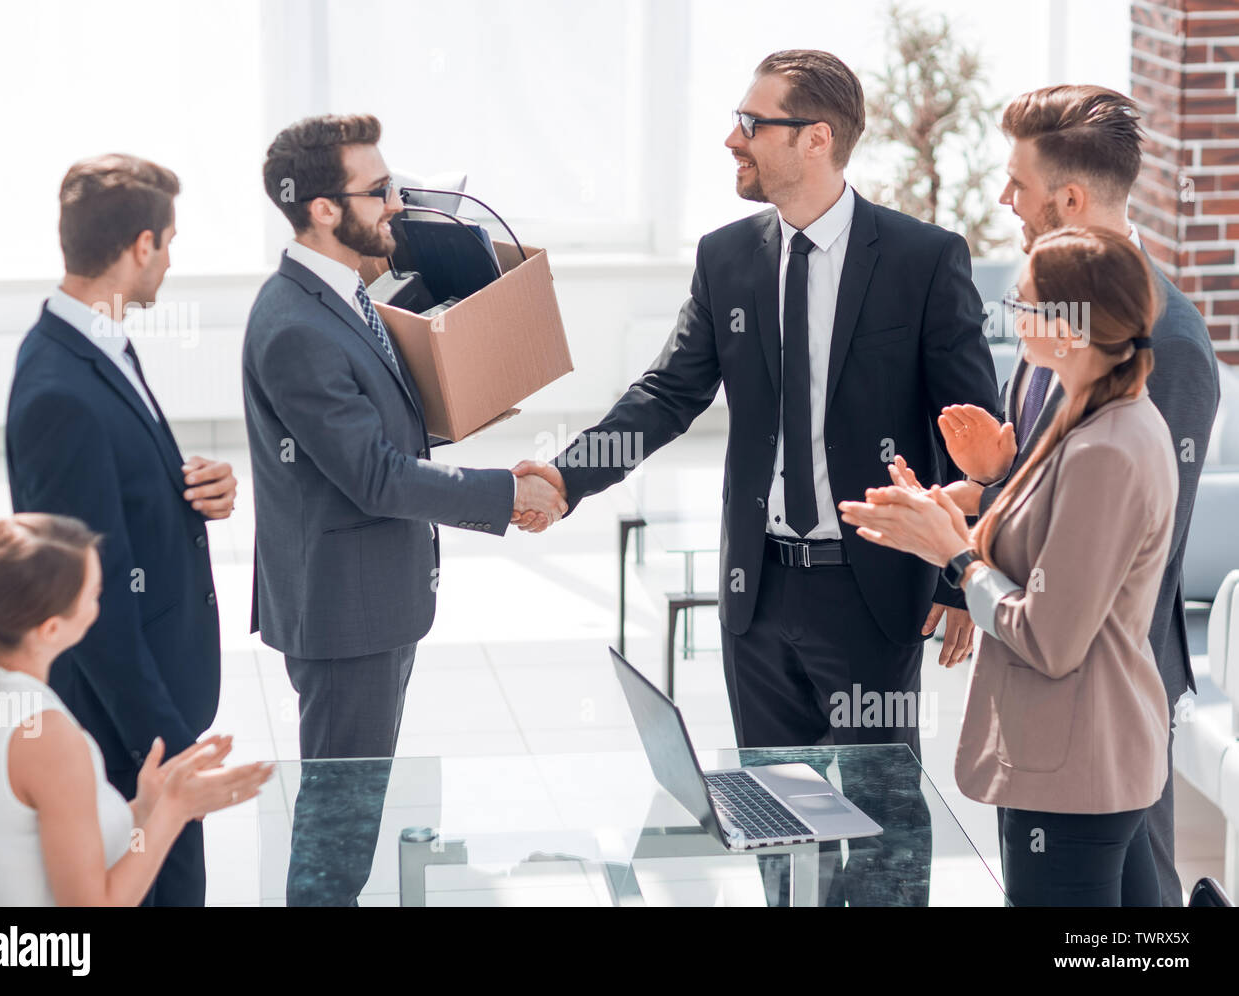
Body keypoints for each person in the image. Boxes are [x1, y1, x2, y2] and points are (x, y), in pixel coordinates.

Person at [515, 49, 999, 905]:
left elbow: (975, 437)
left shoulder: (923, 259)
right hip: (759, 594)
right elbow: (668, 394)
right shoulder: (728, 256)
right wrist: (564, 477)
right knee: (778, 822)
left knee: (883, 822)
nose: (730, 139)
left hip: (873, 592)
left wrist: (958, 579)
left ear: (816, 139)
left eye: (752, 123)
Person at [244, 114, 565, 905]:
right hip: (343, 616)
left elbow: (388, 425)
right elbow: (376, 478)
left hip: (373, 602)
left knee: (353, 806)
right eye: (379, 190)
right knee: (338, 822)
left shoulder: (347, 298)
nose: (397, 204)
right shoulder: (294, 326)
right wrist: (505, 496)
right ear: (322, 208)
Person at [936, 86, 1220, 905]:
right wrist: (991, 479)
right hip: (1036, 676)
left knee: (1134, 910)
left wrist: (962, 559)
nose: (1003, 200)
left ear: (1068, 199)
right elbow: (1044, 485)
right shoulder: (1054, 304)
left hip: (1108, 696)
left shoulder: (1170, 344)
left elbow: (1122, 541)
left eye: (1016, 183)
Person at [841, 226, 1175, 906]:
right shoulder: (1081, 412)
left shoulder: (1106, 447)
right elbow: (1040, 527)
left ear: (1070, 328)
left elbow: (1048, 639)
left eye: (1023, 305)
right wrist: (942, 509)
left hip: (1076, 767)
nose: (1010, 317)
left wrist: (956, 557)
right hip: (1073, 759)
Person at [5, 154, 241, 906]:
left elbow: (117, 505)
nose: (170, 260)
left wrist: (193, 491)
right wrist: (168, 753)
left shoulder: (99, 344)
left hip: (149, 719)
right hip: (125, 735)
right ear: (142, 245)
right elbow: (89, 603)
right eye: (169, 243)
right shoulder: (58, 392)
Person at [0, 514, 271, 906]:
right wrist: (174, 812)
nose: (102, 607)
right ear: (50, 630)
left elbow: (44, 843)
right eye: (95, 595)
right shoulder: (47, 737)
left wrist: (147, 807)